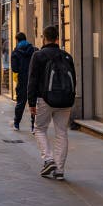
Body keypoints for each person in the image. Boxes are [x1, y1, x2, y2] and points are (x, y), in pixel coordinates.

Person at [28, 26, 76, 181]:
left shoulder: (38, 55)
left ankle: (48, 160)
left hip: (45, 99)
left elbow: (32, 80)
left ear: (44, 38)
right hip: (66, 100)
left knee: (39, 129)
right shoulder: (67, 56)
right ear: (57, 39)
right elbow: (74, 79)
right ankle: (60, 170)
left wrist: (31, 102)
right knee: (61, 132)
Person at [10, 32, 37, 132]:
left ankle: (16, 124)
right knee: (33, 103)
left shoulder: (15, 53)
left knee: (21, 102)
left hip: (22, 79)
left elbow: (15, 69)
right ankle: (33, 126)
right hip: (34, 80)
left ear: (17, 40)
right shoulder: (34, 50)